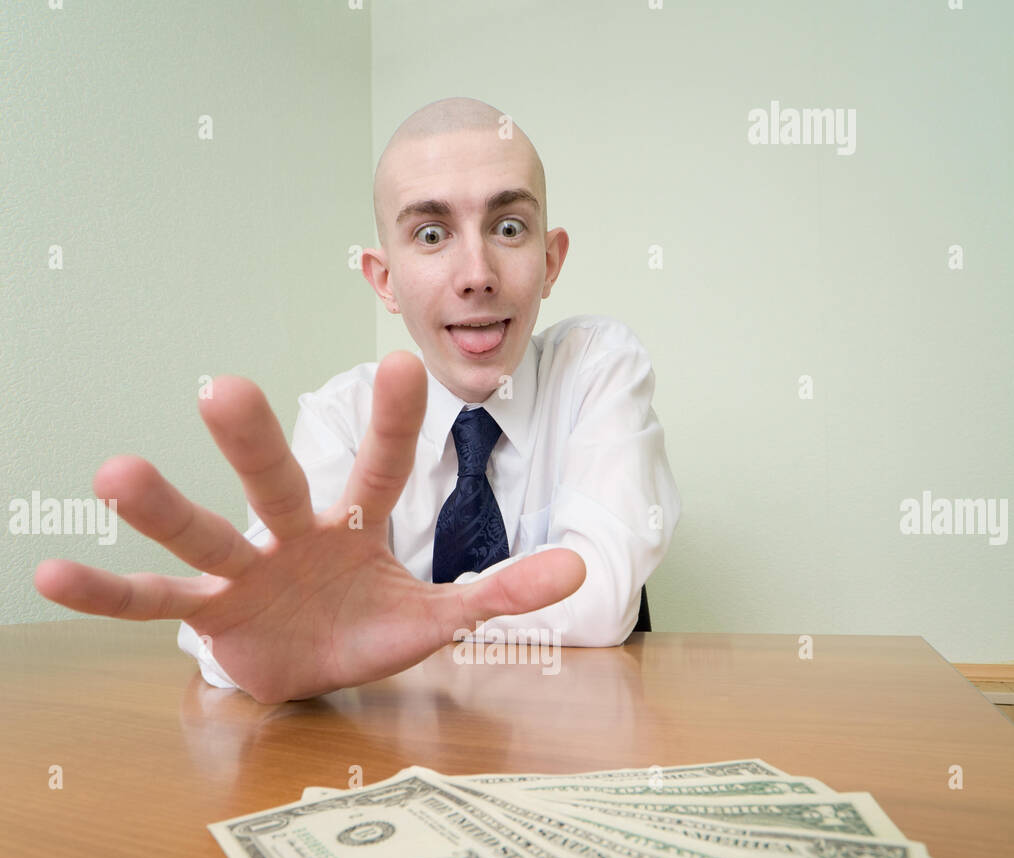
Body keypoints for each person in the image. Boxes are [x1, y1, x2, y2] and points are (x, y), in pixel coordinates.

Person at [34, 97, 680, 704]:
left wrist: (403, 622)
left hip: (578, 746)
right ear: (384, 279)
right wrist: (258, 640)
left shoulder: (597, 365)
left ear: (551, 257)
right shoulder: (340, 417)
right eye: (431, 235)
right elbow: (253, 613)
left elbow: (600, 596)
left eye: (508, 227)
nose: (477, 274)